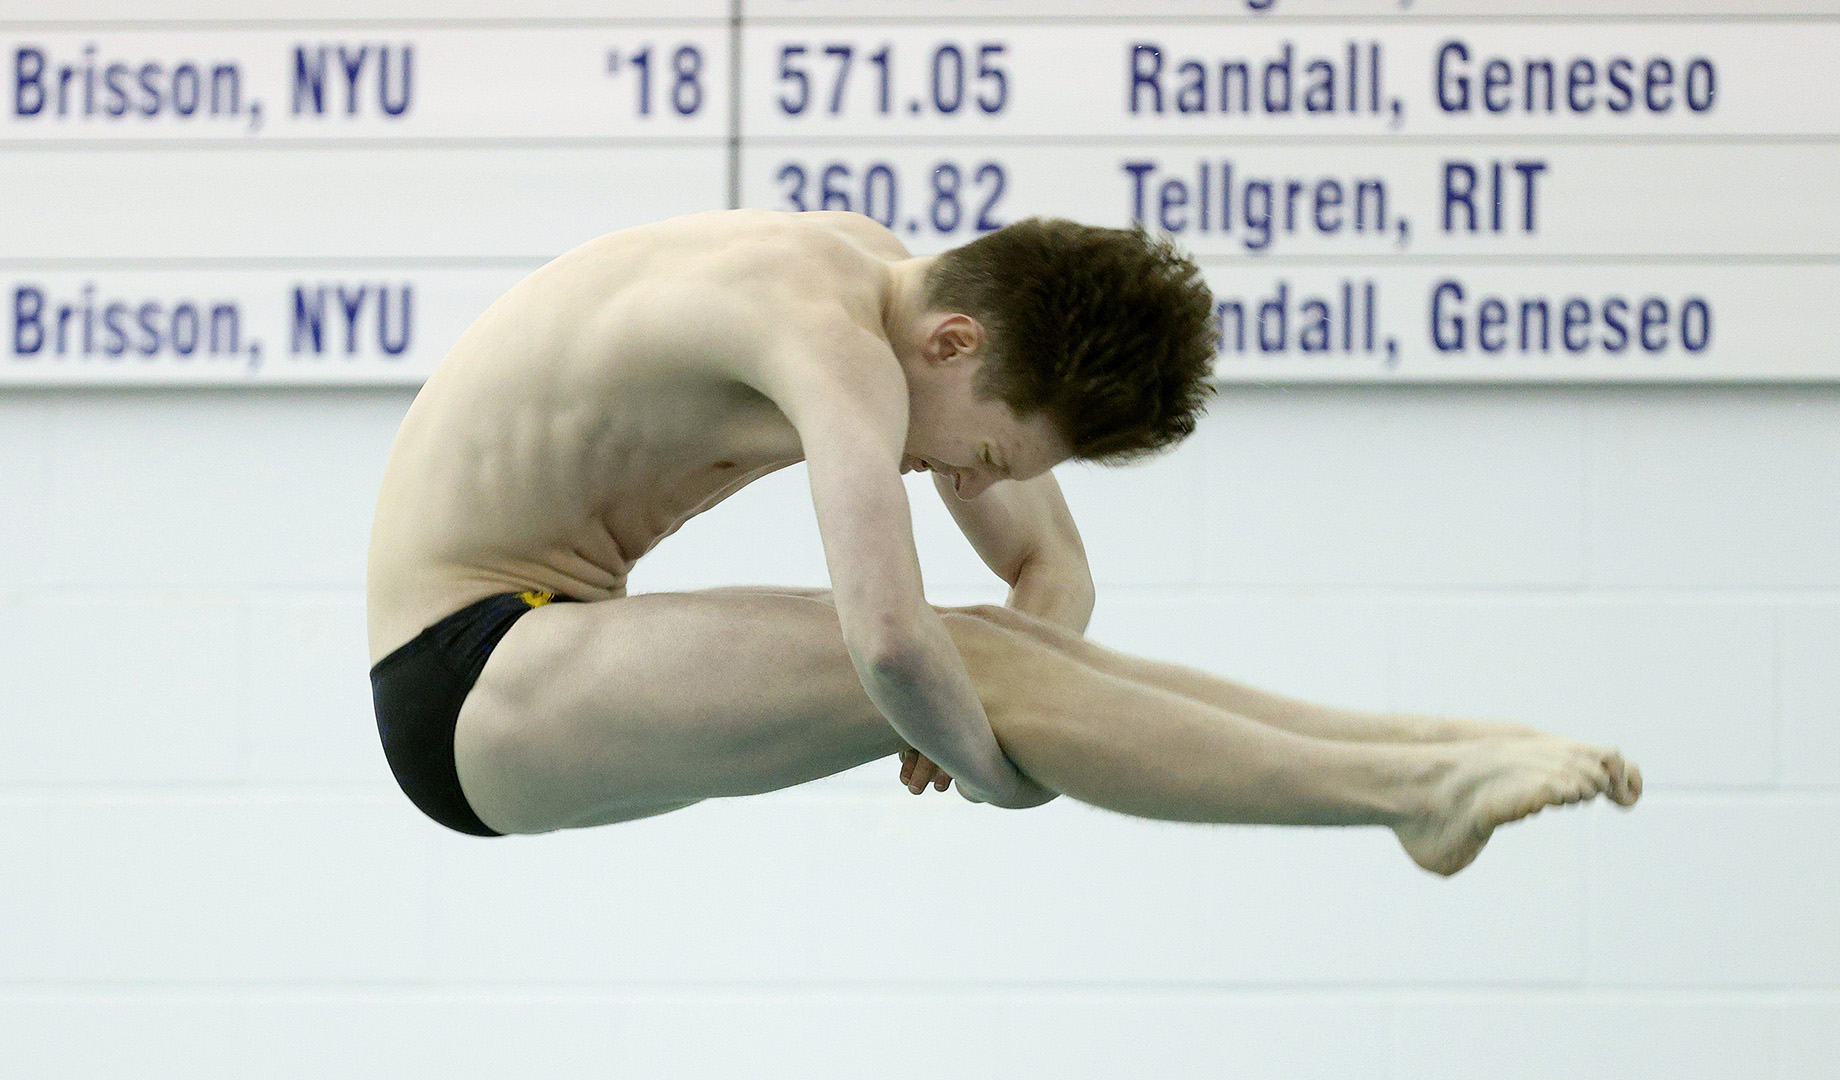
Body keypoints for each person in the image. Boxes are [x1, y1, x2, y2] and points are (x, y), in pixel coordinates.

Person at [366, 209, 1640, 877]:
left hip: (541, 642)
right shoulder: (823, 339)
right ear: (956, 344)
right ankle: (1408, 795)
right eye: (982, 452)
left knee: (994, 656)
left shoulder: (891, 283)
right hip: (464, 678)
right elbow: (888, 642)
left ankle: (1429, 749)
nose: (964, 482)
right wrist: (1000, 767)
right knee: (976, 663)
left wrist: (997, 699)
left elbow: (1053, 574)